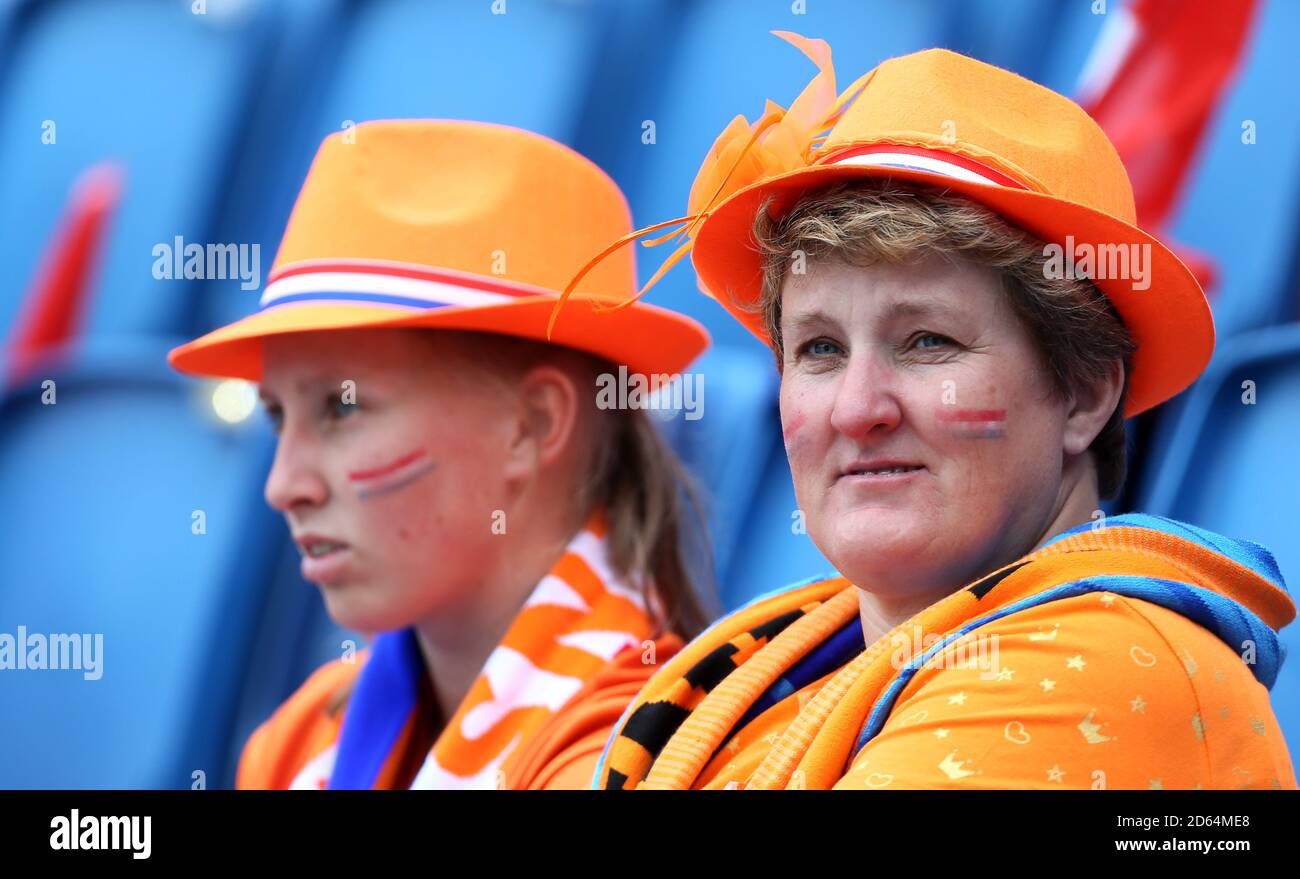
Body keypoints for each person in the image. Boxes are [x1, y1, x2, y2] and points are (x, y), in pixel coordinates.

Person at [582, 34, 1296, 790]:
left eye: (928, 341)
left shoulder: (1106, 667)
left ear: (1085, 391)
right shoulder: (769, 657)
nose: (857, 409)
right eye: (819, 349)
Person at [167, 119, 713, 789]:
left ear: (531, 424)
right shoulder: (300, 741)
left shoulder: (645, 760)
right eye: (277, 415)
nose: (283, 485)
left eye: (342, 407)